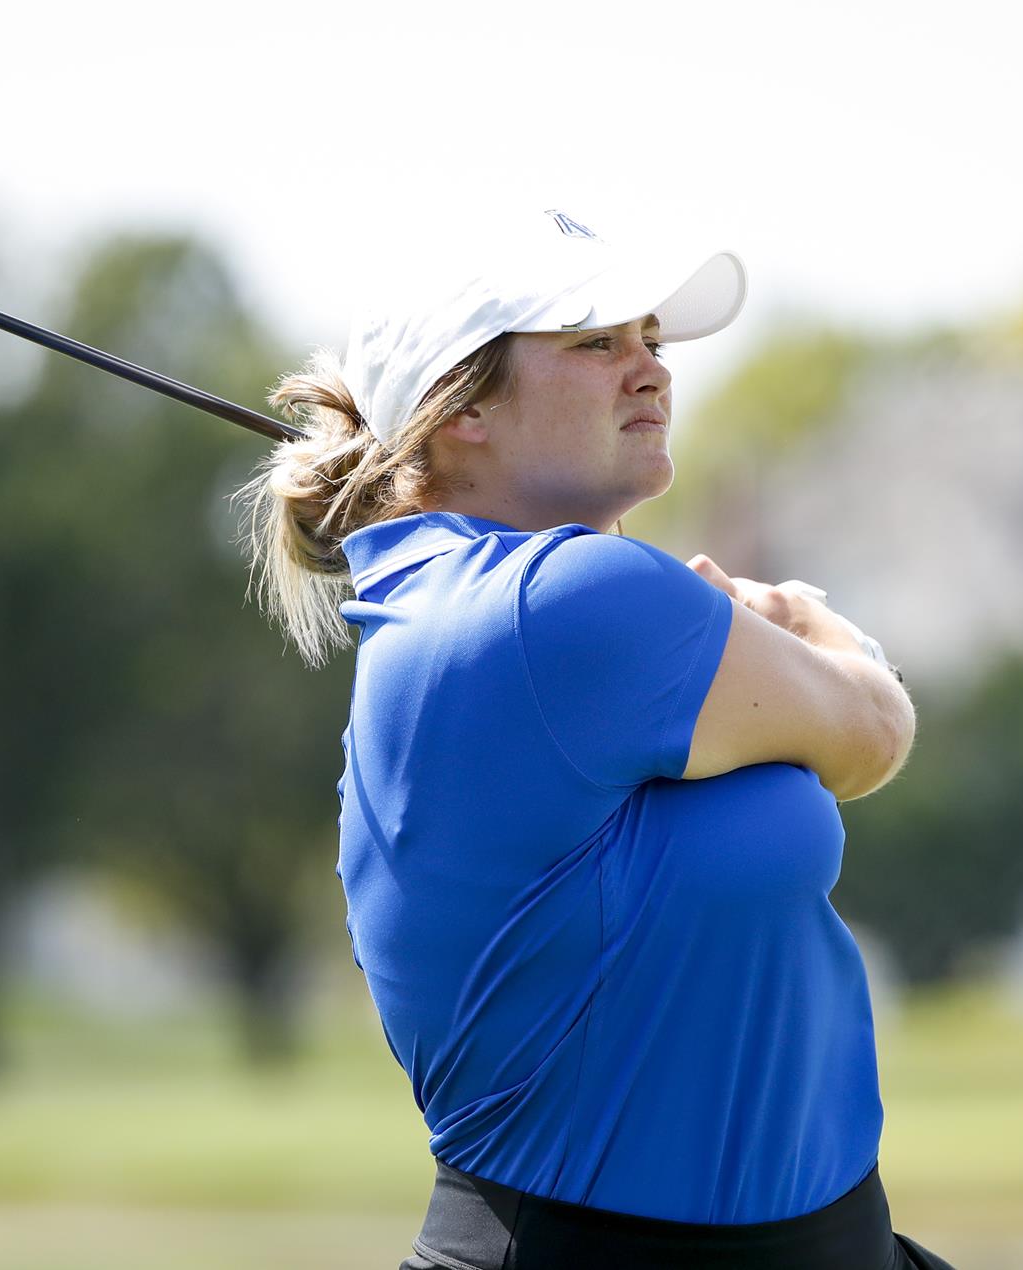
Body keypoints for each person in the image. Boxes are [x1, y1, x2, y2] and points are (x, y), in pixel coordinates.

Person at [238, 210, 948, 1269]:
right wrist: (804, 620)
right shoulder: (564, 602)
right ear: (460, 410)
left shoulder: (482, 605)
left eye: (651, 341)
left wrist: (734, 636)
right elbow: (873, 730)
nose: (649, 372)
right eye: (592, 343)